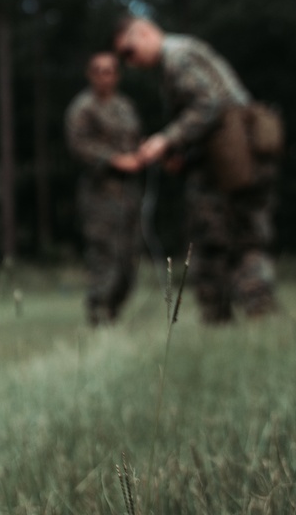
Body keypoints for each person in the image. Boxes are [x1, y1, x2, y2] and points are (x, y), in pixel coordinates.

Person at [113, 16, 278, 324]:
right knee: (243, 239)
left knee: (222, 243)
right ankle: (252, 319)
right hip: (235, 157)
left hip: (230, 163)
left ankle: (237, 319)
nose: (130, 63)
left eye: (129, 52)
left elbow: (209, 104)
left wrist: (166, 140)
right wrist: (182, 156)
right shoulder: (181, 55)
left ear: (145, 31)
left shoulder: (178, 57)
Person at [64, 52, 143, 325]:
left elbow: (135, 141)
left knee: (128, 259)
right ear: (89, 74)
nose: (103, 75)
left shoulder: (125, 106)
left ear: (117, 75)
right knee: (103, 255)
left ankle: (113, 310)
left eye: (108, 70)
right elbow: (79, 146)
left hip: (129, 195)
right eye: (97, 70)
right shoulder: (83, 108)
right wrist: (114, 159)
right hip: (99, 194)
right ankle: (98, 314)